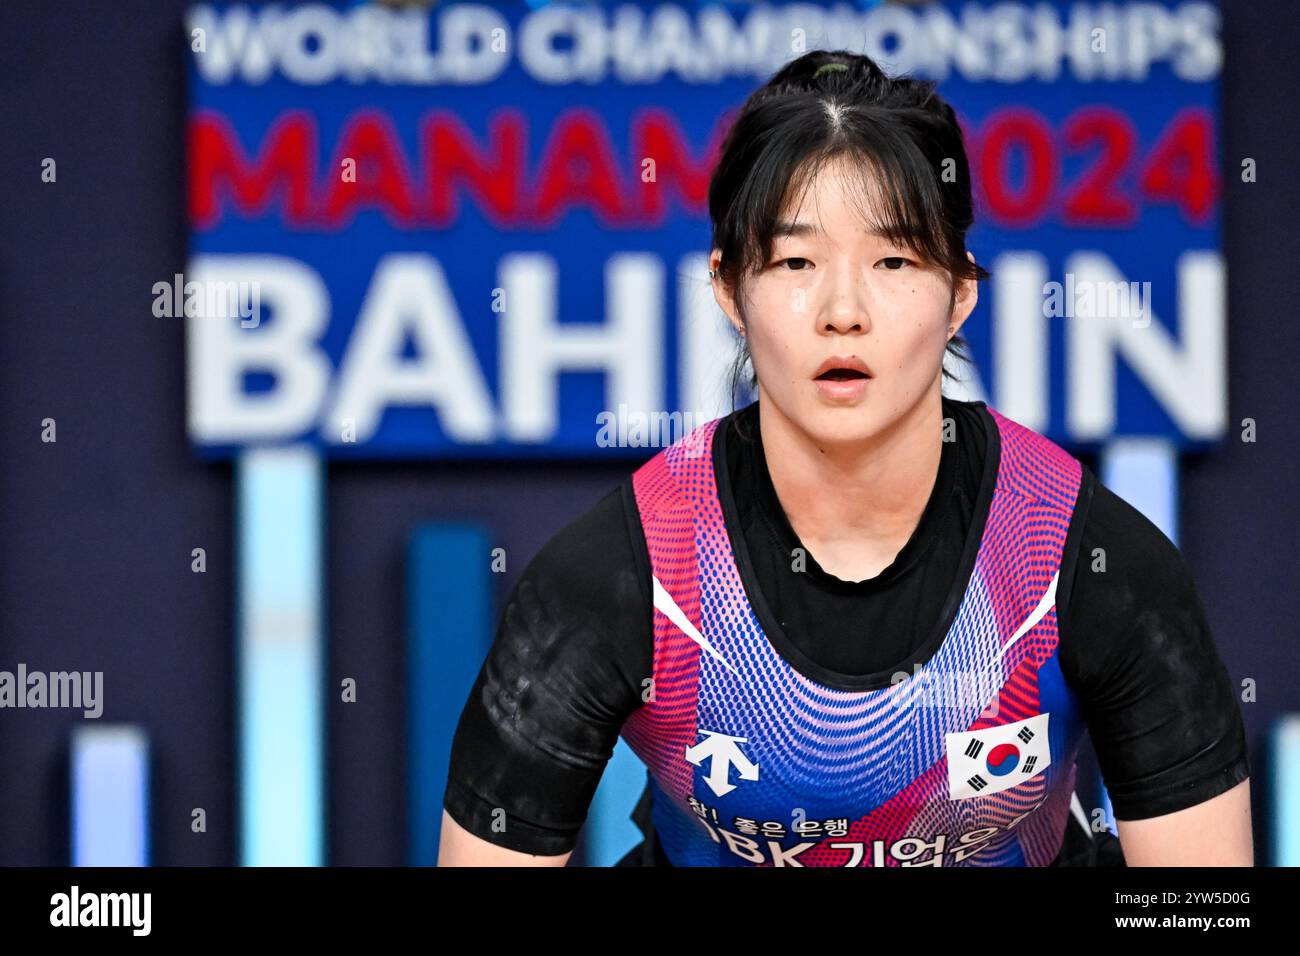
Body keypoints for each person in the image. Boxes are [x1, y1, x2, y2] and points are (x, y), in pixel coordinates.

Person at [438, 50, 1252, 867]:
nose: (842, 312)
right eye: (795, 263)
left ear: (960, 292)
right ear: (729, 290)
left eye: (893, 261)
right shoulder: (621, 574)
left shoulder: (1083, 558)